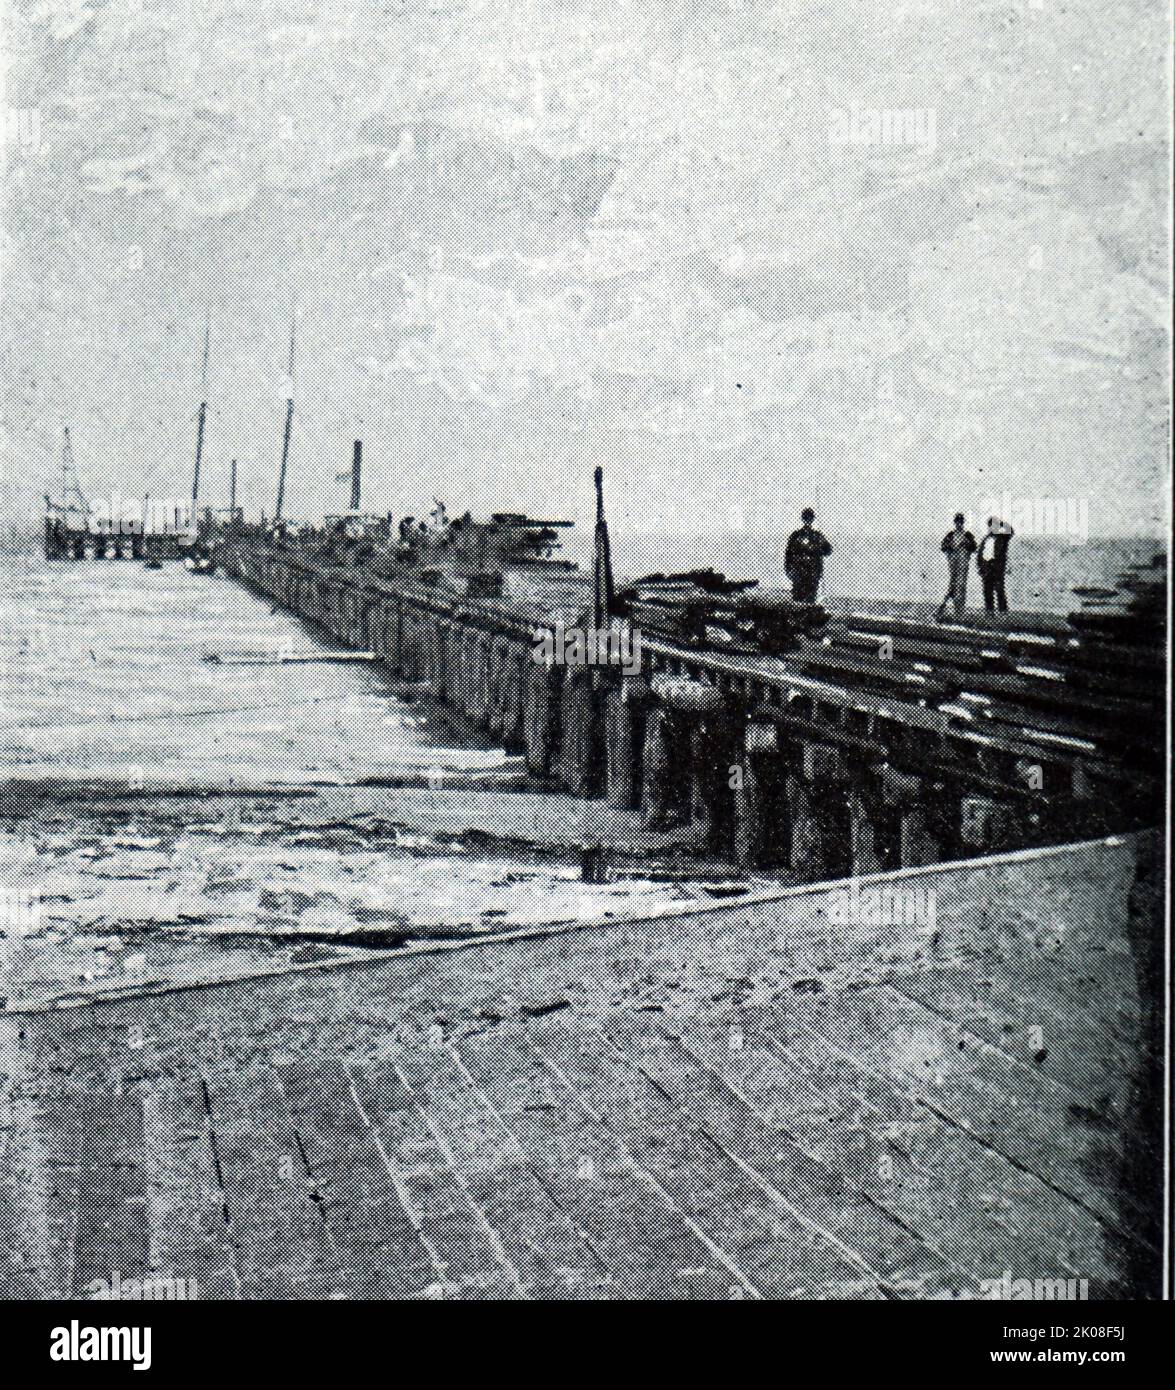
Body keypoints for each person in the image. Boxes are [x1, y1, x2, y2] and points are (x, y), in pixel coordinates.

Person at [784, 507, 832, 603]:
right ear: (812, 519)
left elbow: (788, 556)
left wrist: (789, 571)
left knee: (799, 600)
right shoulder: (816, 536)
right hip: (808, 574)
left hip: (803, 574)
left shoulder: (796, 535)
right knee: (807, 600)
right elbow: (828, 551)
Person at [937, 513, 977, 619]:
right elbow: (943, 546)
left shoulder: (967, 535)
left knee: (961, 586)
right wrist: (950, 547)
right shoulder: (950, 535)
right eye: (957, 522)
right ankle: (955, 610)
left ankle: (960, 610)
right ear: (955, 523)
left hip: (963, 566)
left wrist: (966, 544)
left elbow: (974, 547)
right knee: (953, 585)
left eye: (961, 522)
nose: (959, 524)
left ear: (963, 523)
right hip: (953, 565)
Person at [977, 516, 1014, 614]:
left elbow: (1011, 531)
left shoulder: (1003, 538)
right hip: (987, 566)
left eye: (994, 525)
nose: (992, 528)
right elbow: (980, 554)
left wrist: (1001, 523)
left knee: (999, 588)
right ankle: (989, 611)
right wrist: (980, 567)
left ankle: (1003, 611)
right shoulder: (985, 539)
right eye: (990, 526)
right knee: (987, 589)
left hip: (997, 566)